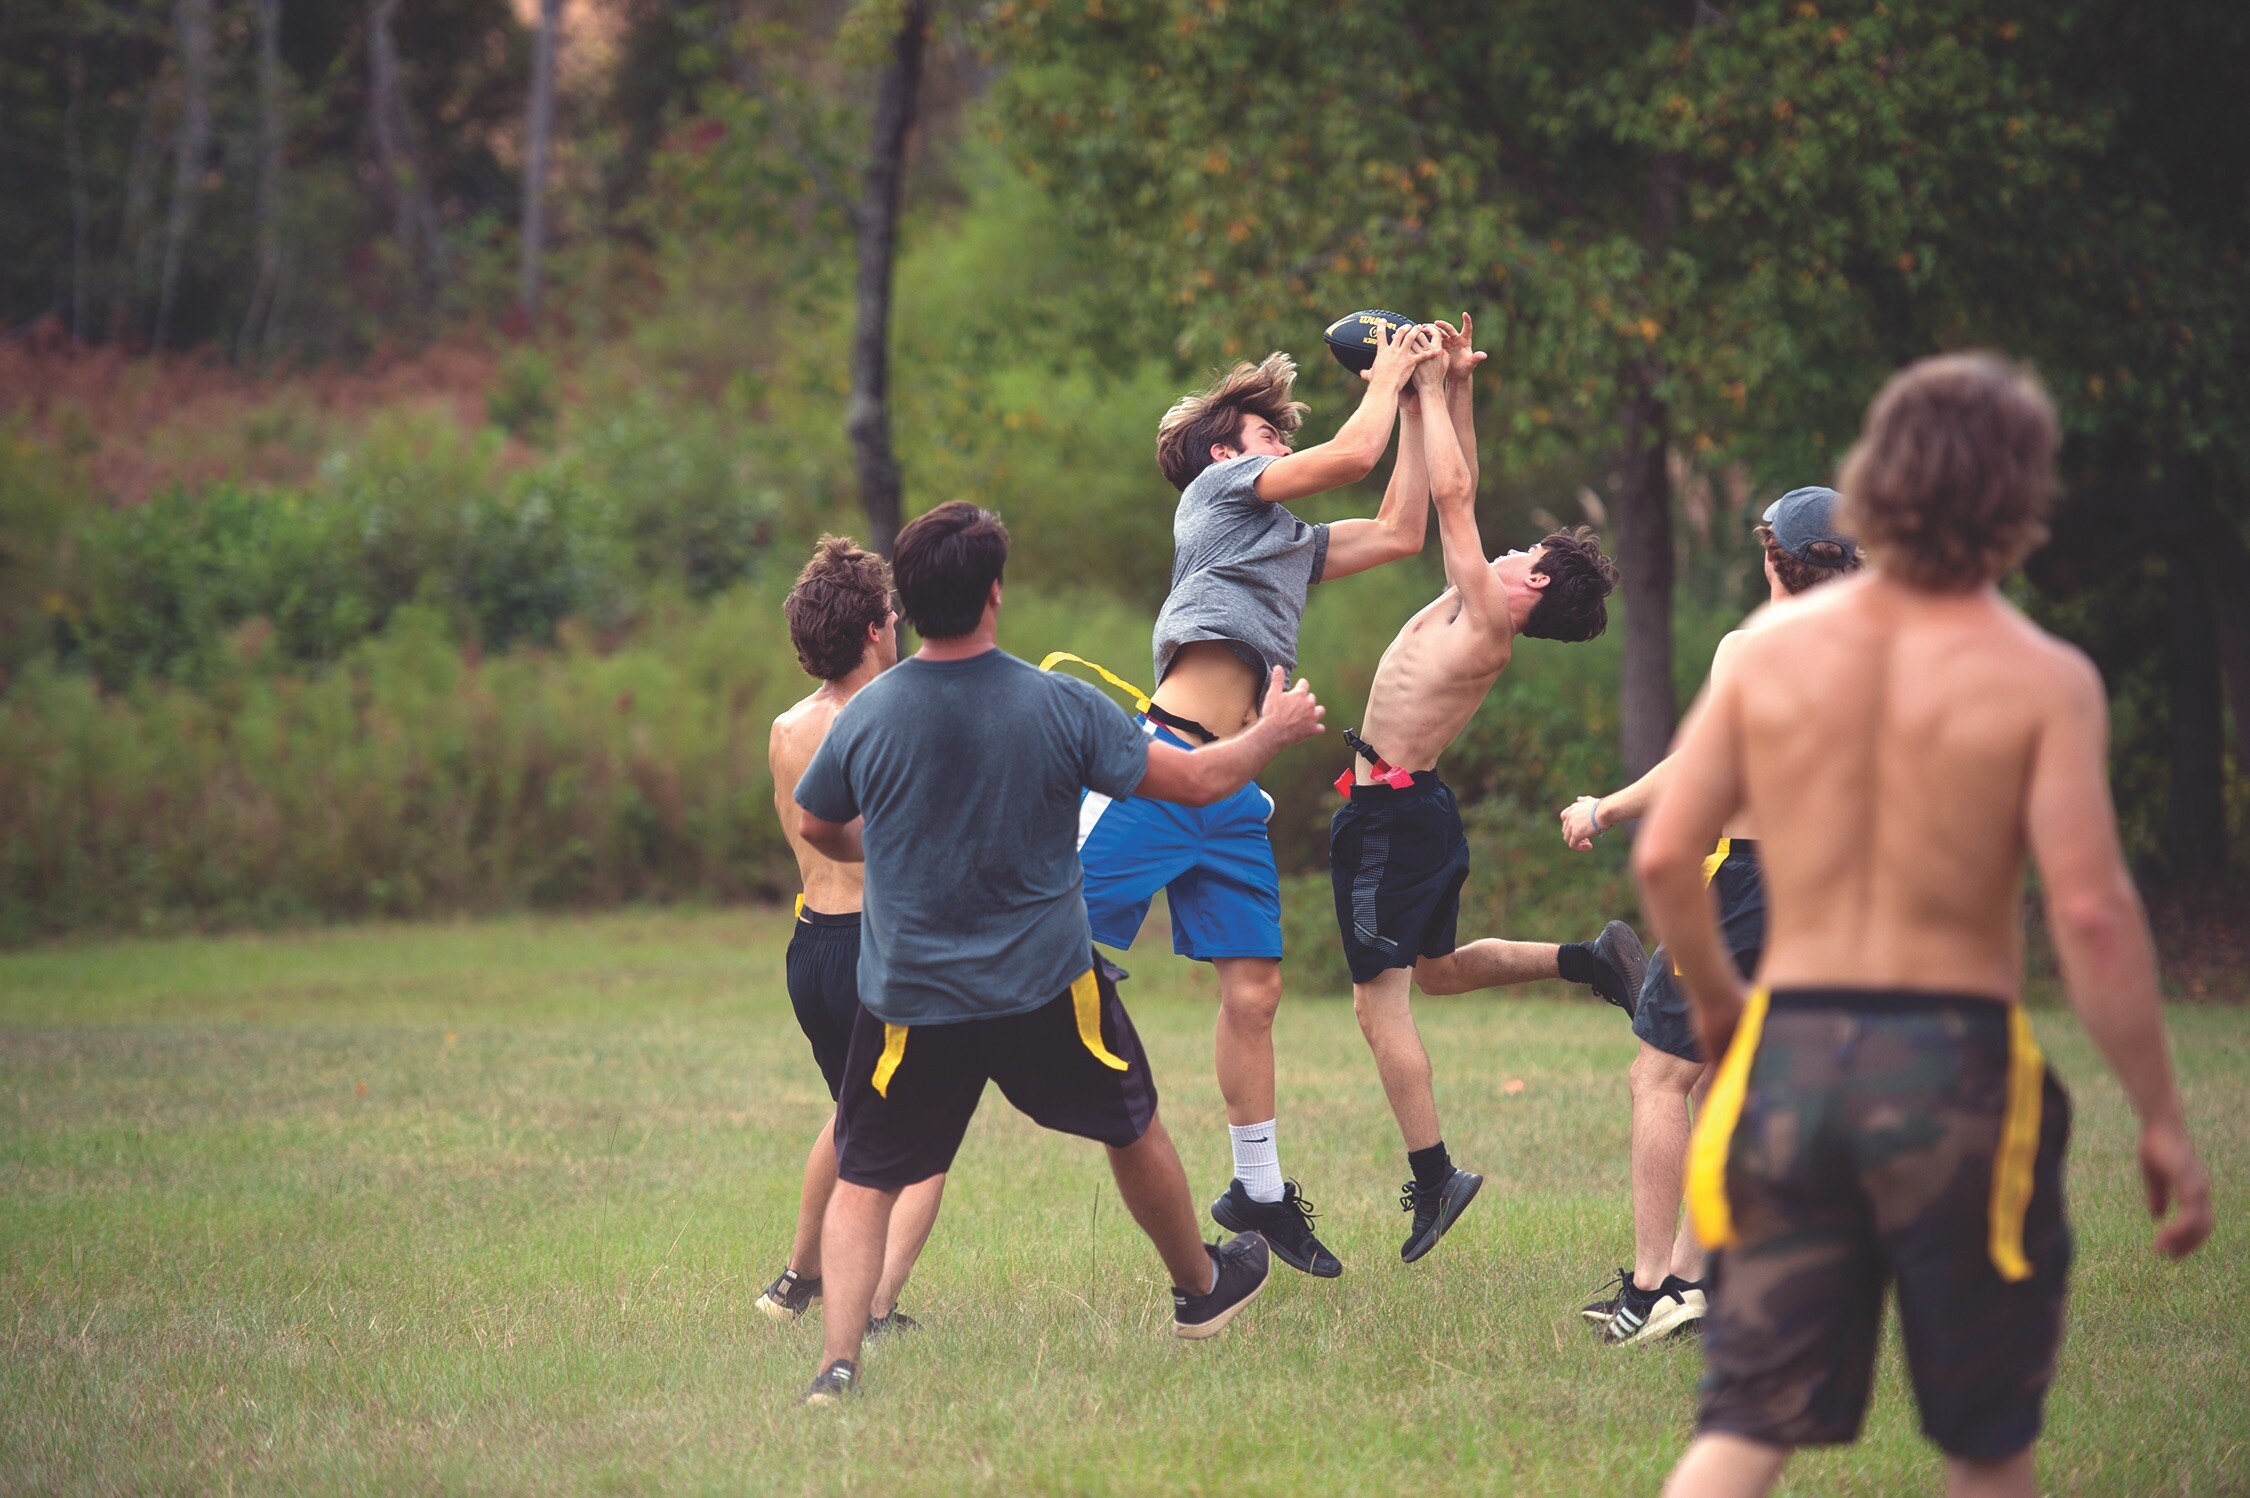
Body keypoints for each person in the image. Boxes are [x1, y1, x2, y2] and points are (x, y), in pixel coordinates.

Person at [1635, 354, 2213, 1498]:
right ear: (2019, 499)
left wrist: (1713, 997)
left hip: (1790, 1063)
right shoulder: (2041, 677)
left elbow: (1663, 853)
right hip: (1958, 1068)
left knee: (1749, 1423)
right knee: (1985, 1443)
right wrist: (2159, 1117)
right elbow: (2094, 915)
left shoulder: (1772, 652)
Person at [792, 500, 1328, 1406]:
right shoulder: (1059, 705)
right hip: (1044, 983)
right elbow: (1195, 781)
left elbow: (817, 823)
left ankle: (836, 1366)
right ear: (994, 594)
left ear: (911, 604)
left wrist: (883, 849)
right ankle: (1201, 1290)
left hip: (911, 990)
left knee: (870, 1168)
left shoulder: (868, 716)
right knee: (1130, 1123)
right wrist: (1269, 732)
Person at [1072, 318, 1452, 1279]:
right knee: (1036, 953)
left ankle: (1261, 1193)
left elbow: (1406, 527)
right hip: (1154, 771)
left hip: (1235, 784)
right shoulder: (1213, 495)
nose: (1282, 442)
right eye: (1268, 435)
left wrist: (1421, 396)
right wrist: (1390, 374)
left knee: (1256, 991)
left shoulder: (1281, 541)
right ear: (1222, 454)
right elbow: (1352, 455)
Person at [1325, 343, 1636, 1263]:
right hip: (1410, 813)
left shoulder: (1488, 617)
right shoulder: (1480, 604)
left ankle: (1435, 1178)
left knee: (1378, 1008)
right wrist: (1453, 388)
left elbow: (1457, 501)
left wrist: (1422, 385)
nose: (1506, 547)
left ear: (1533, 585)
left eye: (1525, 552)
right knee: (1441, 971)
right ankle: (1593, 958)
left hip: (1391, 822)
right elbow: (1462, 493)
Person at [1559, 486, 1862, 1346]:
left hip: (1738, 885)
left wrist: (1605, 809)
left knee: (1659, 1077)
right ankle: (1693, 1281)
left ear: (1776, 557)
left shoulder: (1753, 648)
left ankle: (1653, 1285)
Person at [754, 536, 948, 1336]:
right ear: (874, 629)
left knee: (852, 1114)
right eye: (892, 613)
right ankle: (871, 1308)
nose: (900, 621)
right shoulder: (893, 714)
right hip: (882, 948)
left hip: (812, 951)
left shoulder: (785, 726)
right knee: (928, 1136)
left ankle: (795, 1282)